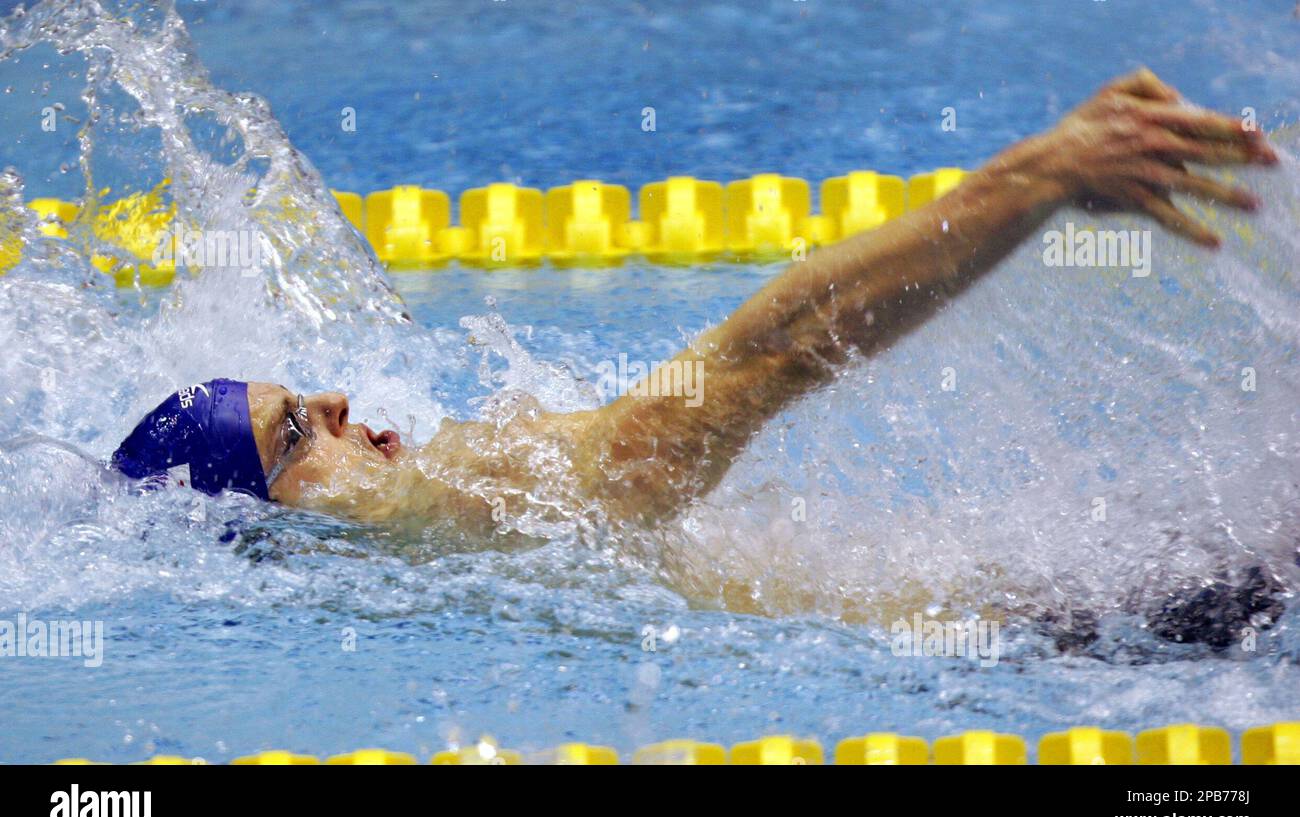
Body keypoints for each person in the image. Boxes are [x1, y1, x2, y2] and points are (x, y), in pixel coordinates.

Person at [113, 69, 1278, 544]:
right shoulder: (461, 500)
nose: (332, 398)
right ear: (262, 524)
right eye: (290, 432)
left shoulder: (438, 521)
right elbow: (762, 360)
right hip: (1106, 623)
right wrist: (1033, 179)